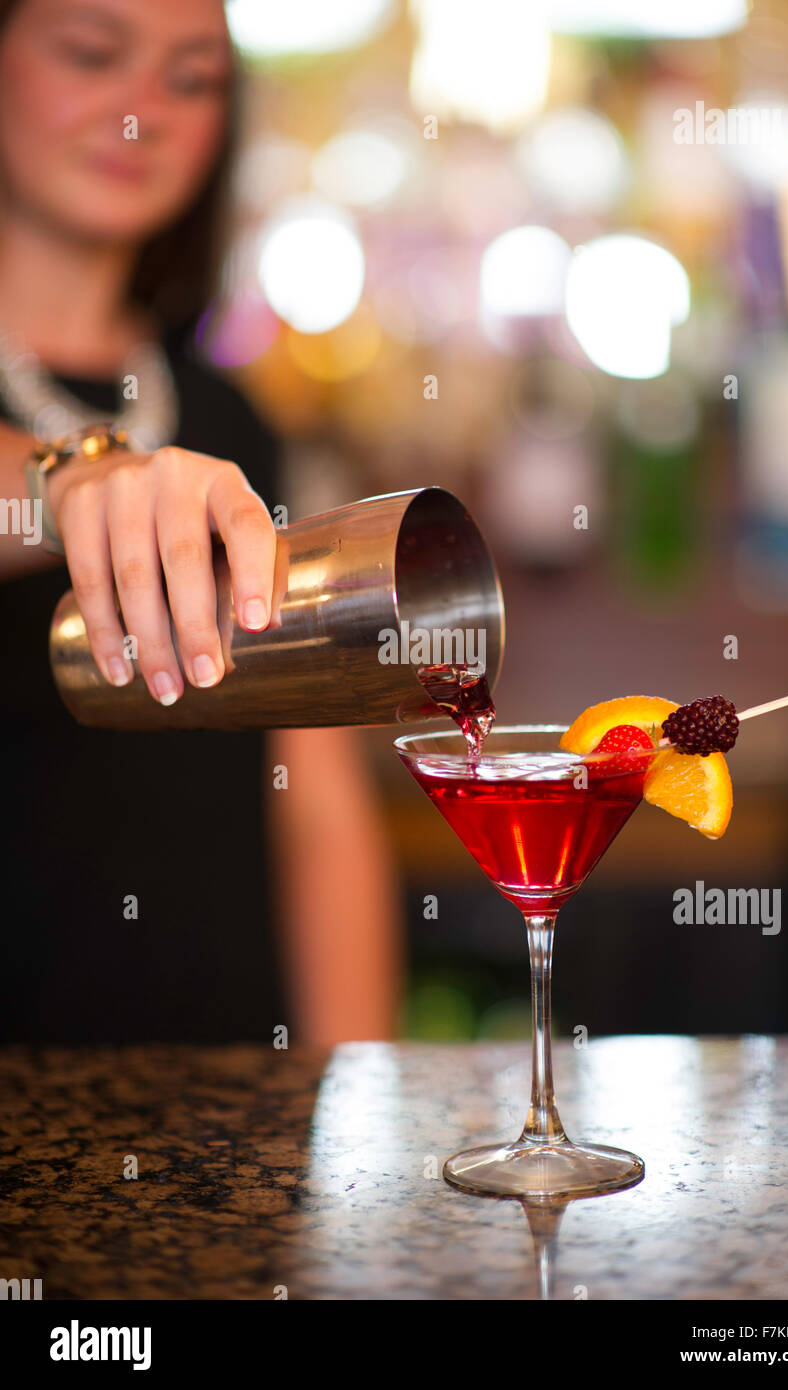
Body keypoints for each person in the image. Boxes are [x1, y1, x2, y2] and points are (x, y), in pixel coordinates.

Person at [0, 0, 402, 1045]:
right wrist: (73, 484)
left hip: (225, 1103)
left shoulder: (234, 420)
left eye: (191, 80)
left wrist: (348, 1113)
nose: (144, 116)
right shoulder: (84, 463)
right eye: (93, 55)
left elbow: (312, 809)